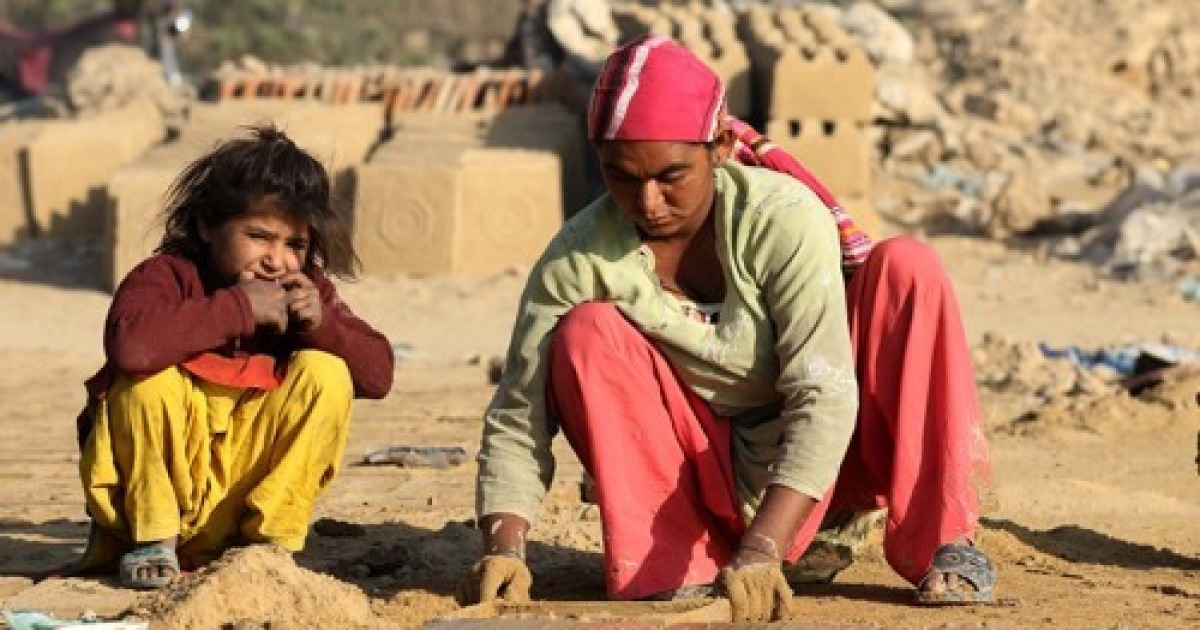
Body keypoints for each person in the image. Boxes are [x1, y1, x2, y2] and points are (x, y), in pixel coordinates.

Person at [460, 35, 994, 622]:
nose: (648, 201)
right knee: (586, 333)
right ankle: (672, 567)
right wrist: (504, 547)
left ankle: (942, 538)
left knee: (908, 269)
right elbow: (519, 413)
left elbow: (823, 394)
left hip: (828, 480)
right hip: (703, 482)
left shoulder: (779, 219)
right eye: (621, 177)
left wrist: (765, 547)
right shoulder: (578, 258)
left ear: (718, 148)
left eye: (671, 176)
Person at [73, 125, 394, 589]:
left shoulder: (308, 291)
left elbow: (379, 375)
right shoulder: (165, 277)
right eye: (259, 236)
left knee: (326, 373)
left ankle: (267, 544)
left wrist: (323, 325)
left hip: (237, 502)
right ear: (206, 226)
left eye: (295, 245)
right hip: (156, 504)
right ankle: (154, 540)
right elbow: (130, 346)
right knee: (144, 379)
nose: (277, 259)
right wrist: (239, 307)